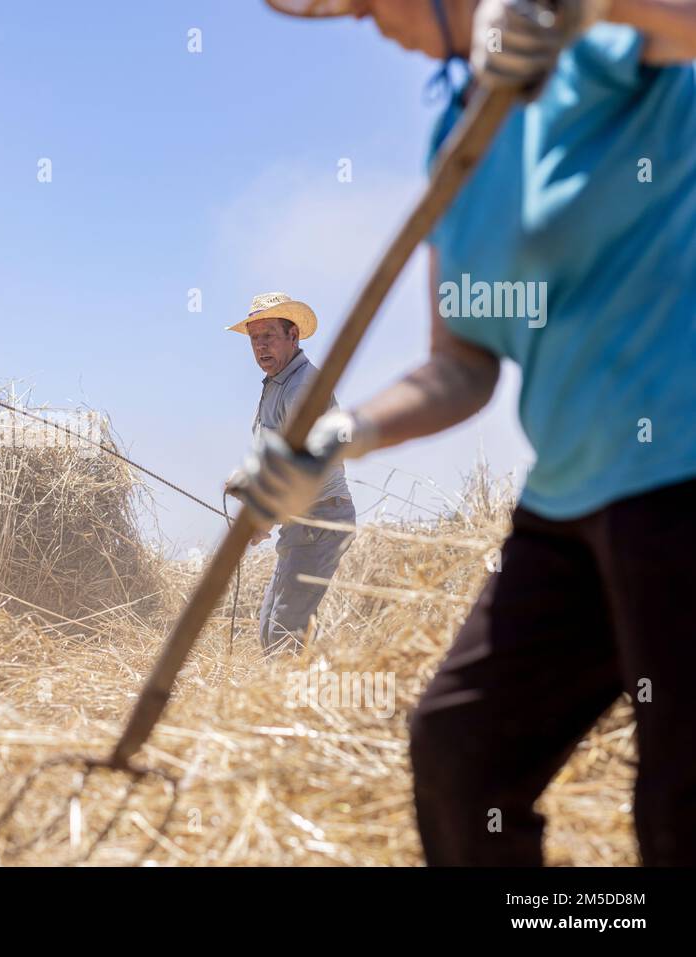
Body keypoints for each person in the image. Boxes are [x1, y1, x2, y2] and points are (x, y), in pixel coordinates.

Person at [237, 0, 696, 864]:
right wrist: (343, 433)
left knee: (678, 806)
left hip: (680, 473)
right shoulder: (460, 138)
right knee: (461, 754)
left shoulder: (597, 39)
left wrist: (587, 9)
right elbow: (462, 364)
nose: (365, 19)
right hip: (569, 507)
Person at [228, 293, 356, 653]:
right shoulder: (276, 385)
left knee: (284, 631)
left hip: (319, 518)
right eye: (255, 338)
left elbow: (300, 467)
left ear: (293, 336)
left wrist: (260, 516)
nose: (260, 346)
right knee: (271, 625)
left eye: (269, 335)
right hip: (301, 521)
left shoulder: (301, 388)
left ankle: (295, 702)